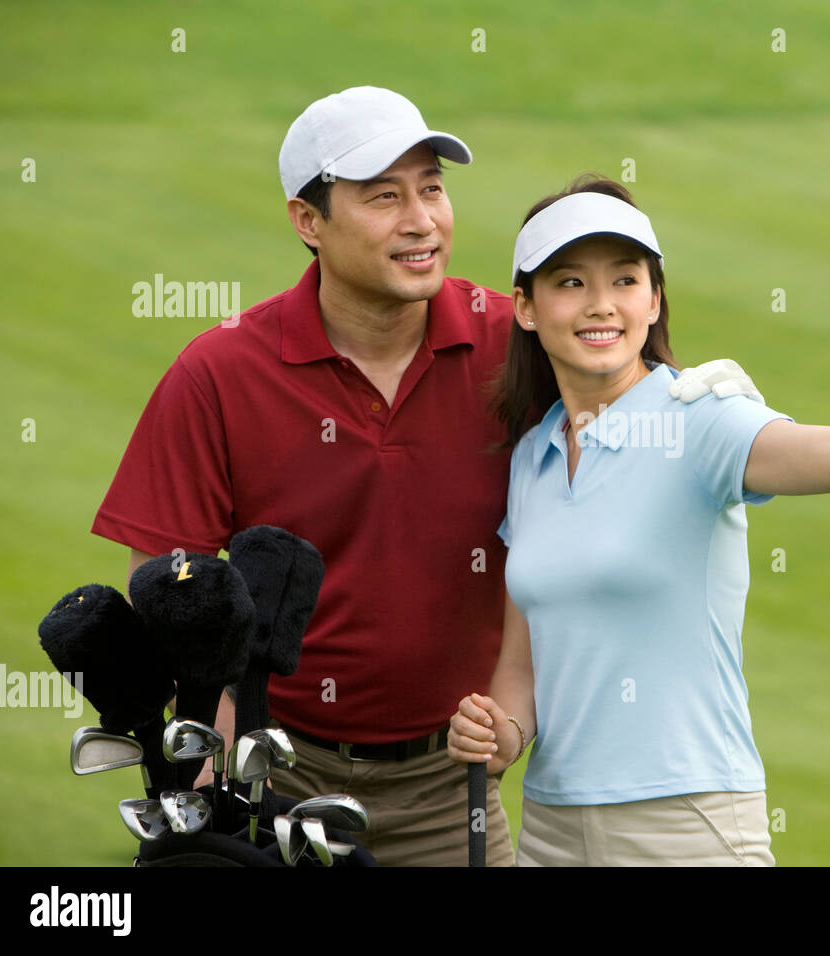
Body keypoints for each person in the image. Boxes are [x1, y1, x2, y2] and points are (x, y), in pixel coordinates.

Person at [91, 87, 759, 866]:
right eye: (384, 197)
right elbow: (171, 600)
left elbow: (626, 385)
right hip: (277, 778)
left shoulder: (514, 344)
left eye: (432, 189)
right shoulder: (219, 375)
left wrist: (693, 401)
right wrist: (211, 776)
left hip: (454, 791)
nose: (422, 220)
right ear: (309, 221)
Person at [447, 174, 830, 865]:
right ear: (528, 308)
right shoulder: (532, 454)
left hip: (688, 821)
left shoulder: (701, 415)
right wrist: (498, 734)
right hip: (551, 829)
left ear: (654, 301)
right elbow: (524, 664)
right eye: (570, 283)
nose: (601, 305)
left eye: (625, 281)